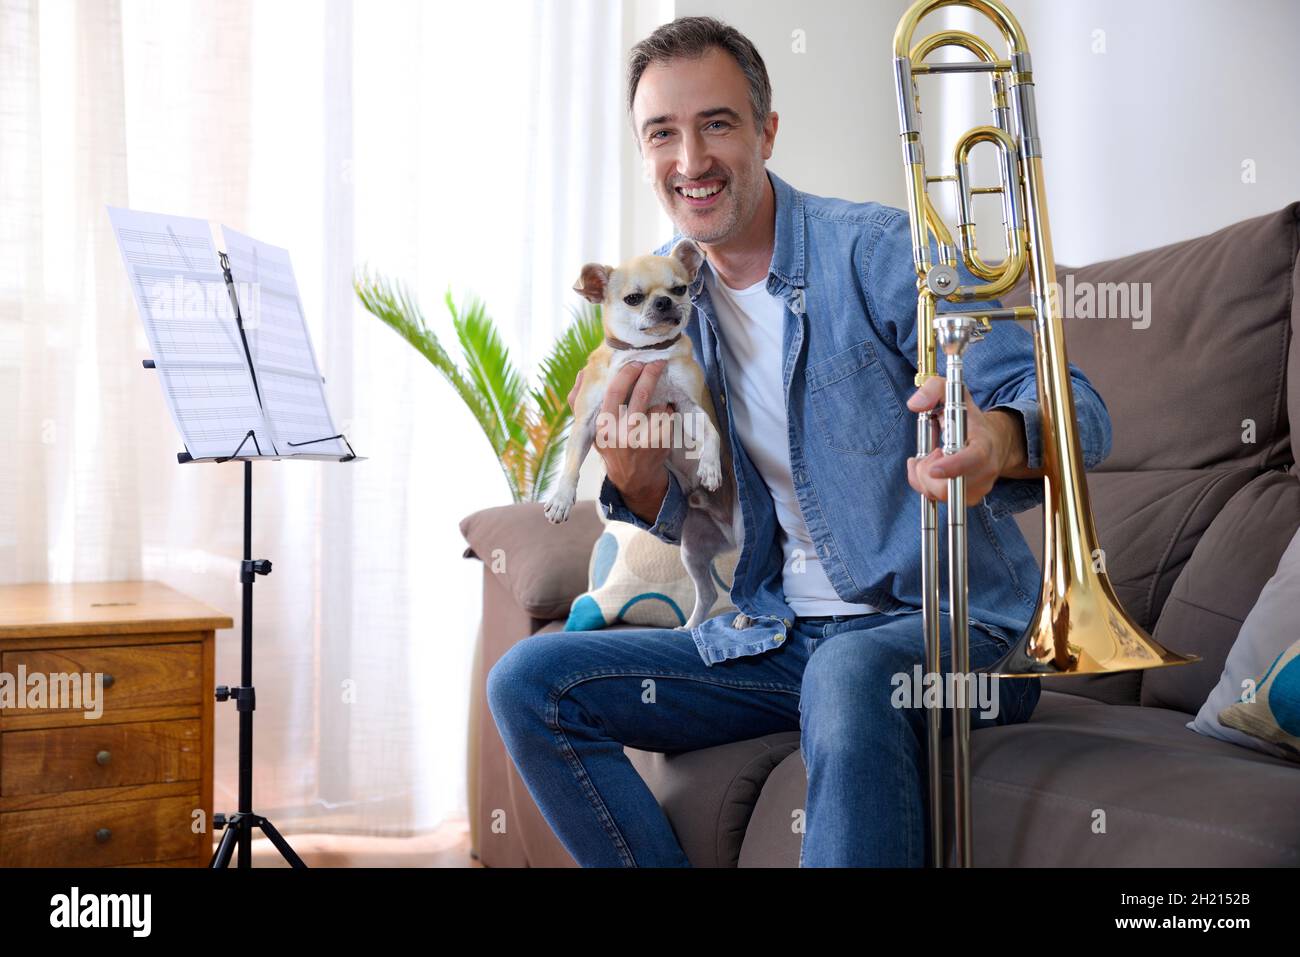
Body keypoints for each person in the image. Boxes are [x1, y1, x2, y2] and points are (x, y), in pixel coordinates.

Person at [487, 15, 1112, 867]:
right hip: (777, 638)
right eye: (662, 133)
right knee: (529, 681)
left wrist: (996, 441)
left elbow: (1080, 409)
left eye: (717, 123)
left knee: (849, 670)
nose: (691, 160)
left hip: (951, 629)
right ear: (643, 155)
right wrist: (634, 485)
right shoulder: (667, 300)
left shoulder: (881, 251)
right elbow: (693, 514)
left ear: (766, 131)